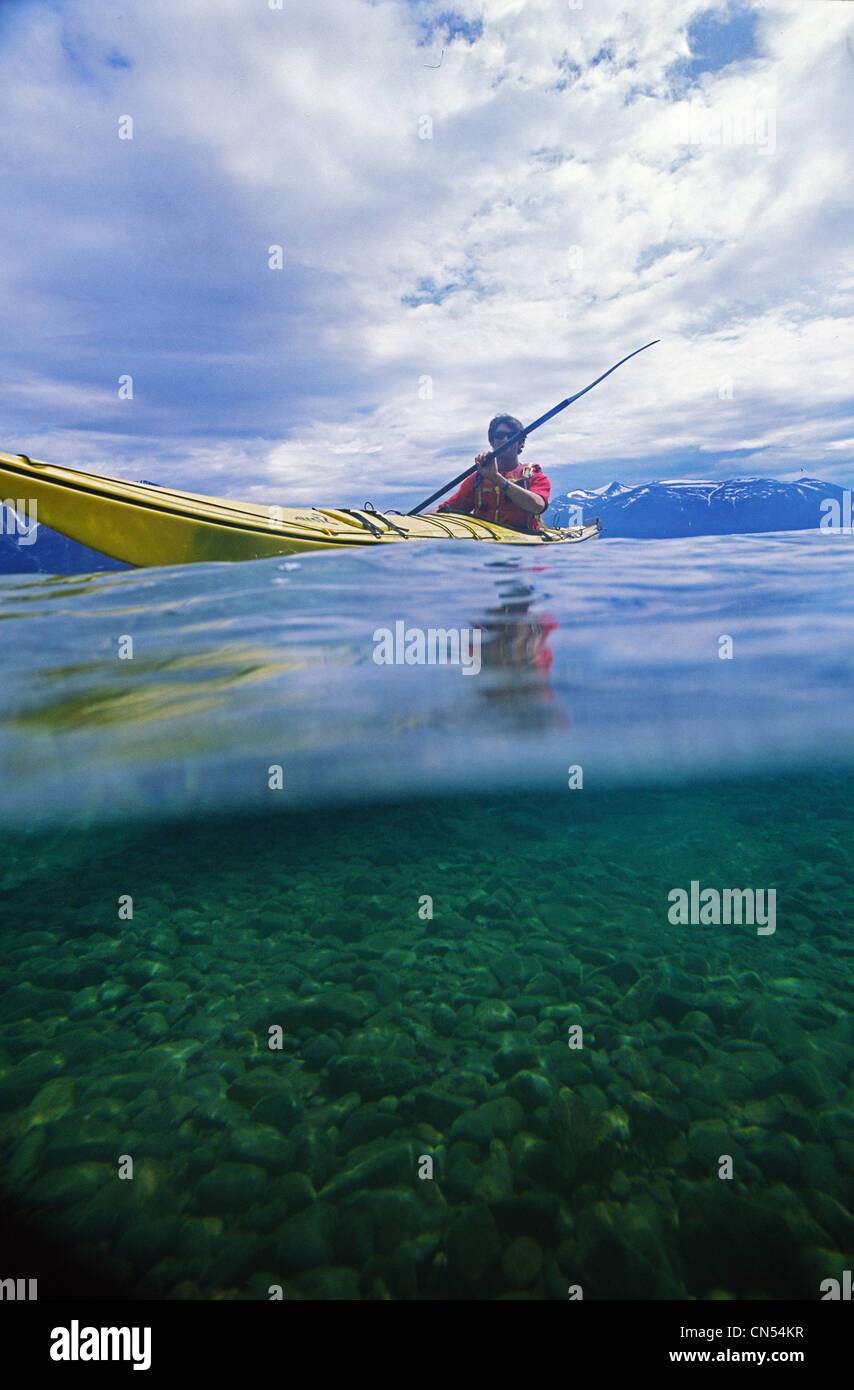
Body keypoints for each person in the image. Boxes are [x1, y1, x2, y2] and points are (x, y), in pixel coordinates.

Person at [436, 415, 551, 533]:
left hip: (524, 545)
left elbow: (538, 506)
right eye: (500, 436)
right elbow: (446, 509)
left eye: (511, 436)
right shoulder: (478, 478)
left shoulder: (532, 475)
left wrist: (496, 478)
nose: (505, 440)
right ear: (492, 442)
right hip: (487, 544)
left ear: (520, 443)